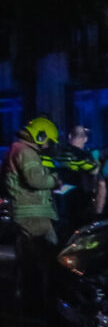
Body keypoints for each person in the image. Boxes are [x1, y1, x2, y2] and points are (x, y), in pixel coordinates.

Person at [4, 116, 62, 310]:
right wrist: (54, 180)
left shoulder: (17, 149)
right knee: (48, 258)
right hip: (34, 213)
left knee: (28, 260)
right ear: (40, 135)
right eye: (47, 140)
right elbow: (35, 180)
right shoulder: (26, 152)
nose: (47, 145)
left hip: (25, 212)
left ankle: (29, 301)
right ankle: (42, 304)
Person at [52, 125, 106, 242]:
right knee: (80, 233)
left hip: (59, 196)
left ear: (69, 136)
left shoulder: (58, 154)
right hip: (80, 198)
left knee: (61, 231)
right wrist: (96, 159)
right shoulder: (85, 156)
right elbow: (94, 171)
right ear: (85, 139)